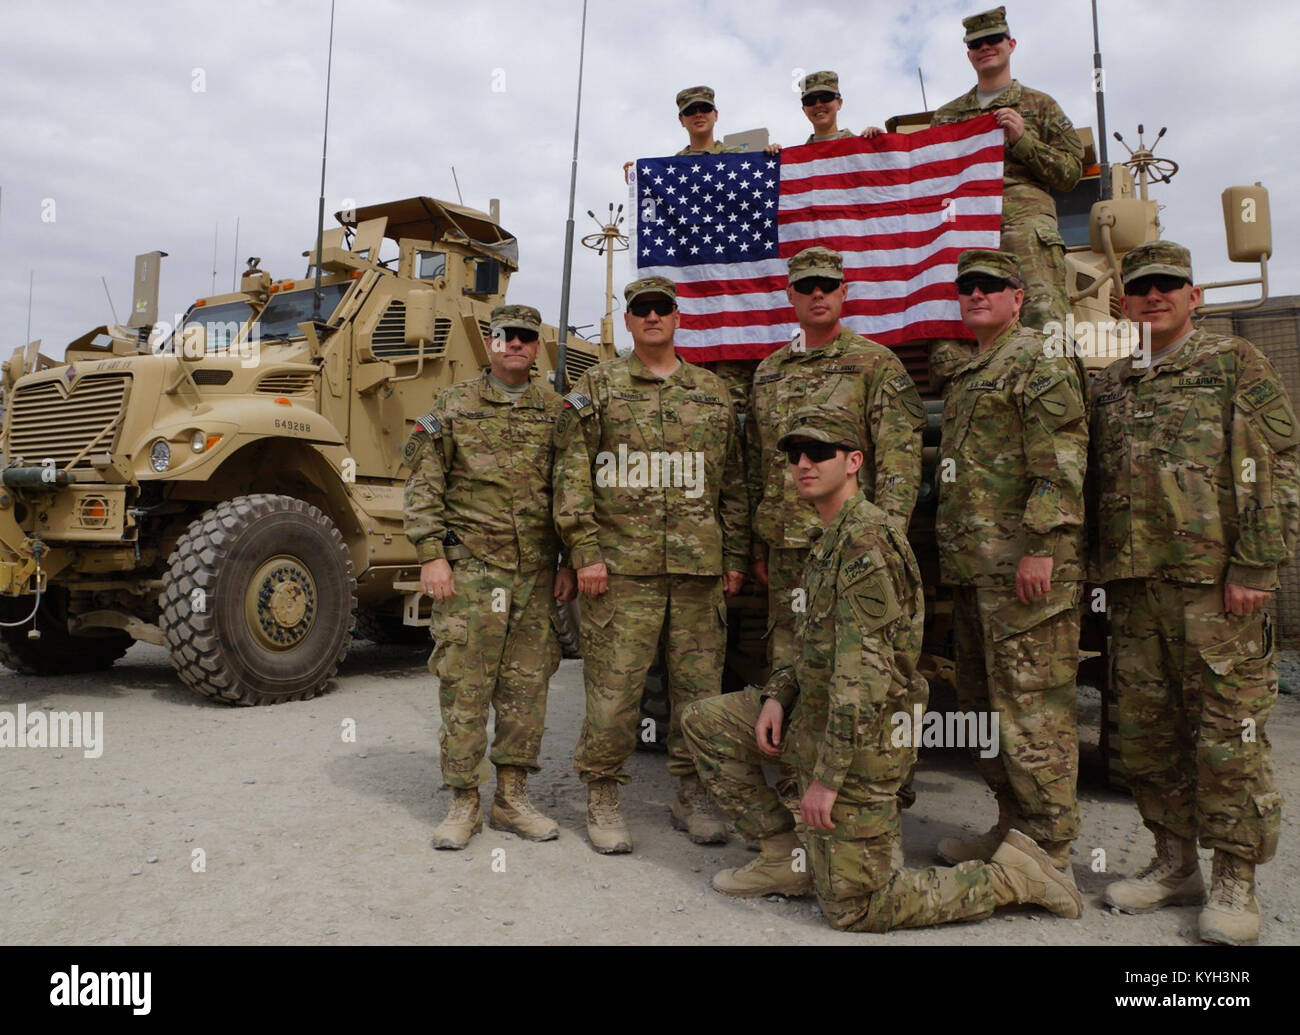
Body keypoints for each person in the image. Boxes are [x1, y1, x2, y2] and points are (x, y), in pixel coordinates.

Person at [680, 404, 1082, 930]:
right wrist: (778, 694)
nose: (803, 463)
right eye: (795, 455)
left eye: (819, 453)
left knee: (857, 908)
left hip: (863, 741)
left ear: (853, 462)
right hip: (820, 715)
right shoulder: (829, 539)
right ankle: (786, 858)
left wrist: (824, 781)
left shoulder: (867, 542)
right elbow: (810, 648)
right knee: (705, 721)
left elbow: (862, 680)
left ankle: (1017, 877)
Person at [1091, 241, 1299, 945]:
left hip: (1218, 591)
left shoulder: (1233, 363)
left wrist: (1258, 566)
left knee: (1228, 739)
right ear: (1123, 302)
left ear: (1194, 294)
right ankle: (1174, 860)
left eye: (1167, 285)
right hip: (1136, 589)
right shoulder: (1113, 382)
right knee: (1149, 738)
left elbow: (1282, 461)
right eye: (1140, 286)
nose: (1153, 296)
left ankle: (1236, 876)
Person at [553, 276, 749, 854]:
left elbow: (734, 482)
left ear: (677, 317)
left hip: (697, 570)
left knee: (699, 693)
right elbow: (571, 475)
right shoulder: (597, 387)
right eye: (643, 309)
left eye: (663, 308)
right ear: (631, 319)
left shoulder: (713, 393)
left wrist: (734, 554)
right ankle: (604, 793)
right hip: (620, 571)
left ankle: (694, 792)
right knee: (615, 693)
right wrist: (584, 552)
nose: (654, 317)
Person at [933, 249, 1087, 883]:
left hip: (1026, 573)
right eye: (967, 287)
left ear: (1018, 297)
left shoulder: (1036, 358)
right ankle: (1010, 828)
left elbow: (1062, 456)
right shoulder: (972, 372)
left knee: (1033, 713)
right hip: (977, 573)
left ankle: (1051, 853)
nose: (976, 295)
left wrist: (1043, 545)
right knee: (984, 708)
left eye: (990, 287)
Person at [403, 304, 576, 850]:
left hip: (536, 575)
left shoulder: (555, 410)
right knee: (466, 686)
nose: (517, 345)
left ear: (537, 345)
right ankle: (462, 800)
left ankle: (511, 798)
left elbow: (571, 489)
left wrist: (569, 559)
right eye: (508, 337)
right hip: (474, 571)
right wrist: (432, 554)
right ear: (492, 342)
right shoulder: (454, 406)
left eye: (528, 338)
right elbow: (424, 483)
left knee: (527, 690)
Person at [928, 5, 1084, 390]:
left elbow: (1070, 174)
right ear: (969, 54)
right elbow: (926, 176)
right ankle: (966, 407)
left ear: (1010, 44)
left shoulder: (1039, 105)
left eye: (994, 40)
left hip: (1025, 232)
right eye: (976, 44)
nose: (986, 48)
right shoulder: (948, 116)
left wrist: (1024, 141)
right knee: (953, 326)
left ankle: (1055, 402)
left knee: (1043, 320)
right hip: (962, 230)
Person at [763, 70, 884, 155]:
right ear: (804, 109)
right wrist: (771, 159)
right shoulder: (798, 161)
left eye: (826, 97)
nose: (818, 104)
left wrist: (881, 143)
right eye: (809, 100)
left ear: (839, 103)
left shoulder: (862, 148)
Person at [673, 85, 746, 156]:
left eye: (705, 108)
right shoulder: (674, 164)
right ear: (681, 120)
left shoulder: (738, 157)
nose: (698, 115)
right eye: (690, 110)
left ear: (716, 115)